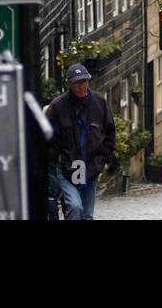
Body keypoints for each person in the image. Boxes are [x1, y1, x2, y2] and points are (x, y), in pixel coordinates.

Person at [44, 63, 115, 220]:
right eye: (76, 83)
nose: (81, 86)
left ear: (88, 81)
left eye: (83, 82)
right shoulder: (57, 106)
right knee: (75, 207)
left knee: (87, 215)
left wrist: (105, 158)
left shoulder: (99, 102)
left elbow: (110, 132)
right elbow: (45, 136)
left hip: (91, 167)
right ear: (69, 84)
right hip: (67, 166)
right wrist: (57, 156)